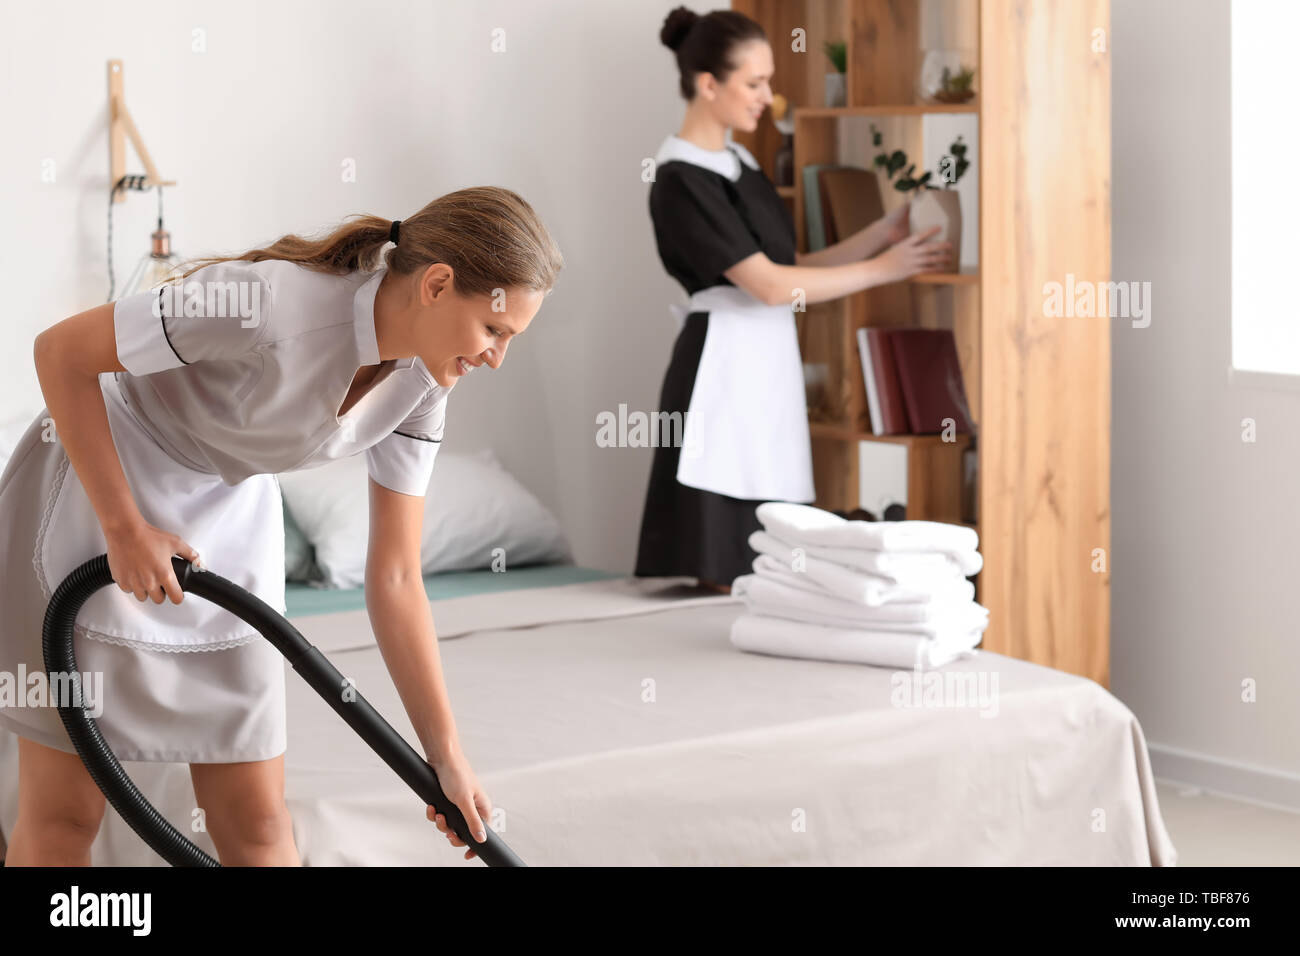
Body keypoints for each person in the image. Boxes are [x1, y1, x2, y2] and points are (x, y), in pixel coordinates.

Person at [0, 187, 562, 865]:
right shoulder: (264, 303)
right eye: (495, 330)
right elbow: (60, 351)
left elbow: (395, 576)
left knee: (260, 824)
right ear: (437, 285)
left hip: (226, 517)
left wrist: (446, 758)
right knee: (65, 816)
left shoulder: (422, 389)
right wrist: (124, 529)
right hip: (100, 488)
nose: (497, 357)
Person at [634, 7, 954, 594]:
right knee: (723, 561)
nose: (768, 98)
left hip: (767, 364)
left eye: (769, 82)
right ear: (709, 84)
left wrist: (883, 233)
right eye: (755, 83)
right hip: (722, 366)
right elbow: (770, 286)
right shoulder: (680, 177)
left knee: (774, 564)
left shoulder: (742, 162)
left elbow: (793, 267)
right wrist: (884, 270)